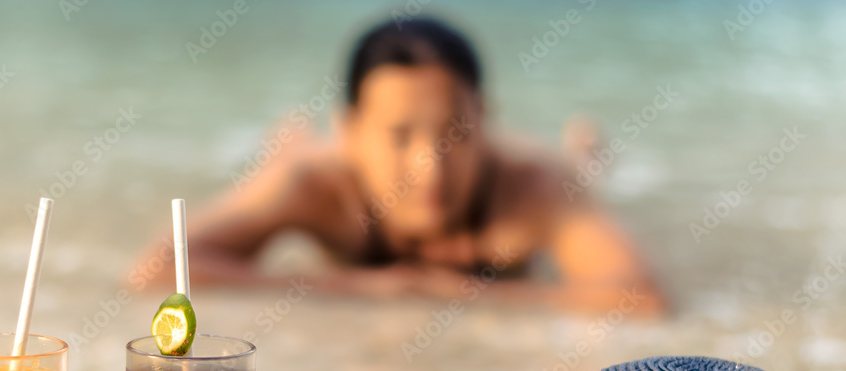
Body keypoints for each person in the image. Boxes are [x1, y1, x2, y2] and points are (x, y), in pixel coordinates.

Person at [139, 17, 667, 313]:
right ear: (348, 131)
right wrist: (370, 287)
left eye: (454, 134)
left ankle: (582, 150)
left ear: (483, 120)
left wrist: (466, 294)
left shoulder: (530, 191)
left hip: (532, 167)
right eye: (398, 136)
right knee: (280, 167)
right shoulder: (318, 187)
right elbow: (158, 271)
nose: (429, 169)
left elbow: (642, 299)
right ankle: (288, 141)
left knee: (578, 171)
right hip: (316, 162)